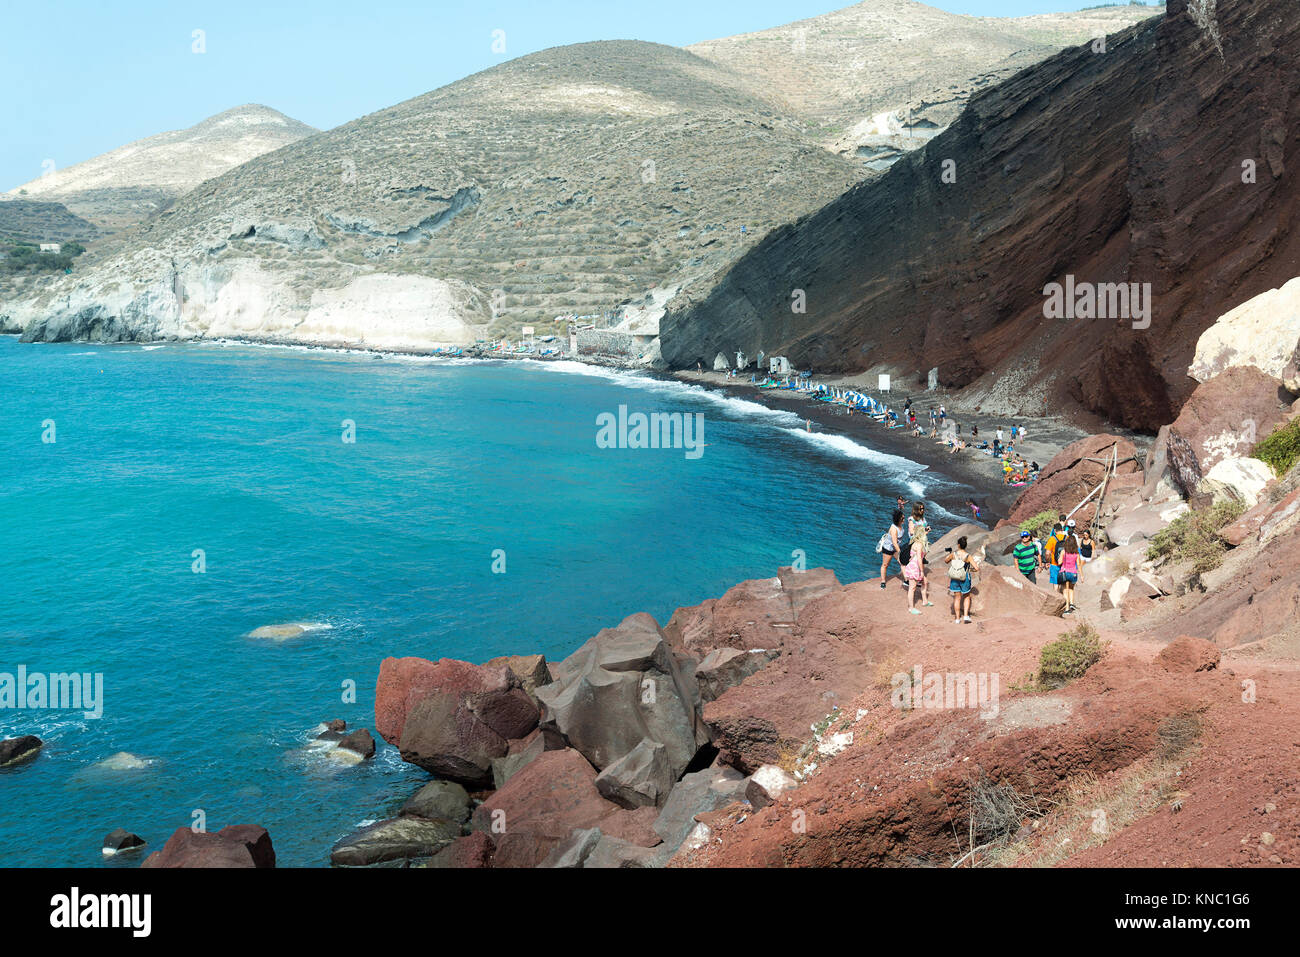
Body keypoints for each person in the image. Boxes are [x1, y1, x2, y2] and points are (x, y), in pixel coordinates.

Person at [944, 536, 979, 624]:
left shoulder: (954, 554)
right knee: (966, 596)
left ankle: (957, 618)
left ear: (958, 545)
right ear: (965, 545)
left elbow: (946, 561)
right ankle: (966, 616)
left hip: (955, 577)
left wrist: (950, 554)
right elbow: (976, 568)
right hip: (965, 577)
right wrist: (970, 570)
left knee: (957, 598)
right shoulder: (968, 556)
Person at [878, 509, 904, 589]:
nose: (904, 519)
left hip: (895, 548)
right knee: (885, 565)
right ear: (898, 519)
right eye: (902, 518)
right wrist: (901, 552)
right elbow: (894, 542)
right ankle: (883, 581)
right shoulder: (893, 528)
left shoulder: (901, 525)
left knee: (902, 563)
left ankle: (907, 579)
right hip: (888, 548)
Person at [1058, 535, 1081, 614]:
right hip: (1073, 573)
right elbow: (1078, 564)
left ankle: (1067, 608)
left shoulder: (1063, 551)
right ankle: (1071, 603)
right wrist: (1082, 575)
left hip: (1065, 572)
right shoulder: (1076, 553)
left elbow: (1059, 562)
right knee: (1071, 589)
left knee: (1065, 590)